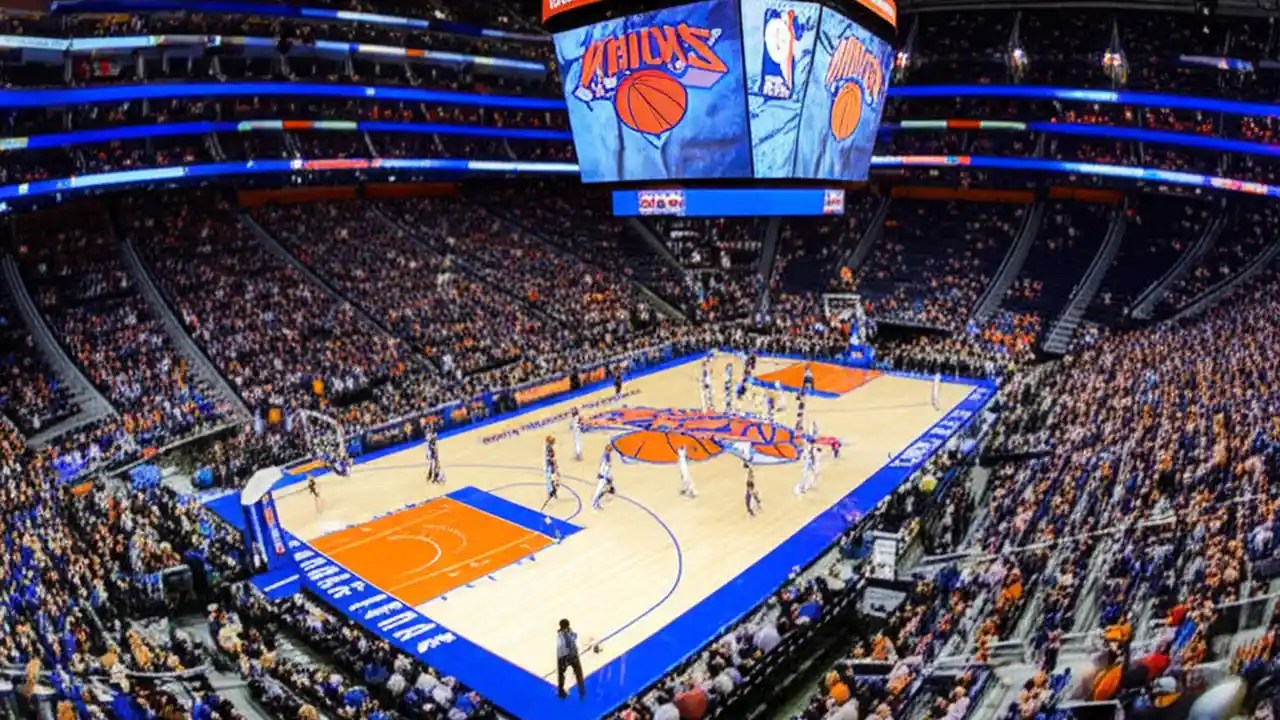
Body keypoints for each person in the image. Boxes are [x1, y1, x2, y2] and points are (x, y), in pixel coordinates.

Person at [556, 619, 586, 699]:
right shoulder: (566, 634)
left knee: (561, 674)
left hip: (562, 656)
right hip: (569, 655)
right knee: (578, 672)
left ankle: (561, 691)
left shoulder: (560, 633)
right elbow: (572, 640)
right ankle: (582, 691)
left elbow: (573, 636)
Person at [543, 436, 561, 505]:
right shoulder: (549, 449)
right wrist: (555, 466)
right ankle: (552, 491)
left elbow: (551, 458)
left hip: (549, 465)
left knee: (550, 479)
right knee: (551, 478)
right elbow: (552, 459)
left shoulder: (548, 448)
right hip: (550, 465)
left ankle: (552, 491)